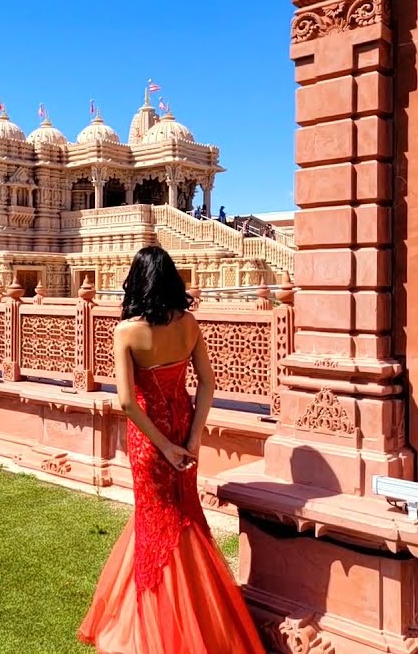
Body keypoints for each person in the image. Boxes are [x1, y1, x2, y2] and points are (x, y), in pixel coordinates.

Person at [77, 246, 265, 654]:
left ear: (137, 282)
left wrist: (163, 447)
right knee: (184, 516)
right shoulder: (189, 324)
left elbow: (127, 402)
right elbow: (208, 384)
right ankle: (195, 617)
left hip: (151, 437)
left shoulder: (127, 331)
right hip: (182, 425)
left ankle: (156, 628)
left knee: (155, 521)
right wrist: (193, 439)